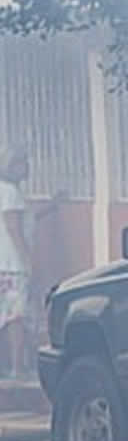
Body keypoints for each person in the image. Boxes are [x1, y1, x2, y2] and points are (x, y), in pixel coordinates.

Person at [0, 147, 31, 380]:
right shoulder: (10, 192)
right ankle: (17, 368)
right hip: (13, 265)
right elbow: (13, 227)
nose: (27, 167)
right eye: (21, 162)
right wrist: (28, 260)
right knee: (16, 317)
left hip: (4, 263)